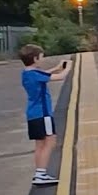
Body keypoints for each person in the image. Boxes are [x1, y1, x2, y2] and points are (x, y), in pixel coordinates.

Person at [19, 44, 69, 185]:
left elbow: (45, 74)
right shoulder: (36, 74)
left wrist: (58, 66)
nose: (42, 59)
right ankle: (41, 174)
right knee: (50, 141)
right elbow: (60, 77)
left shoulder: (27, 73)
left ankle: (39, 173)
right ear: (35, 59)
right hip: (43, 113)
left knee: (39, 144)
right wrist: (68, 67)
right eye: (41, 57)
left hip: (33, 114)